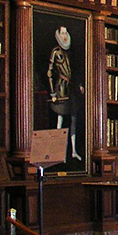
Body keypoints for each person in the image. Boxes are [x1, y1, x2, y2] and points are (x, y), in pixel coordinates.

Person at [47, 27, 83, 162]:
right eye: (62, 33)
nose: (65, 35)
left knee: (73, 119)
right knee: (60, 120)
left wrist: (79, 85)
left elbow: (75, 71)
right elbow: (50, 73)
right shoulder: (56, 52)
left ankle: (73, 151)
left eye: (66, 32)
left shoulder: (70, 53)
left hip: (71, 89)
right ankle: (58, 152)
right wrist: (52, 92)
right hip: (61, 88)